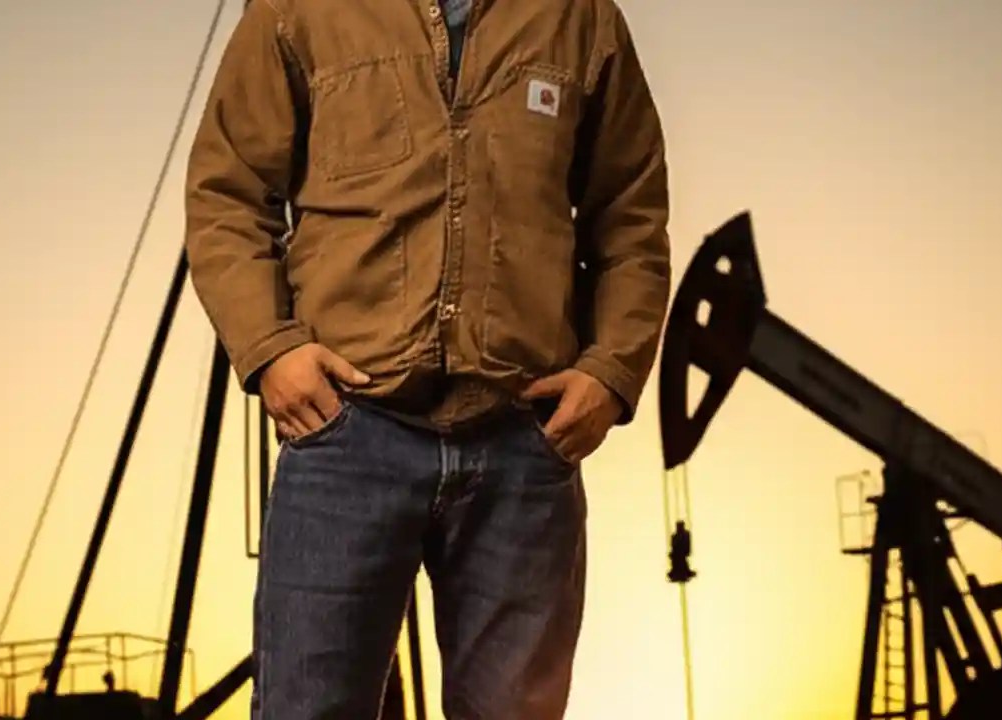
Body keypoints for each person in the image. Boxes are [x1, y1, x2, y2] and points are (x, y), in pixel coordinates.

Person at [184, 0, 670, 717]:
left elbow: (632, 216)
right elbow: (226, 195)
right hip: (347, 433)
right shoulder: (297, 10)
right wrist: (270, 350)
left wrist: (610, 372)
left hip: (523, 442)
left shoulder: (580, 16)